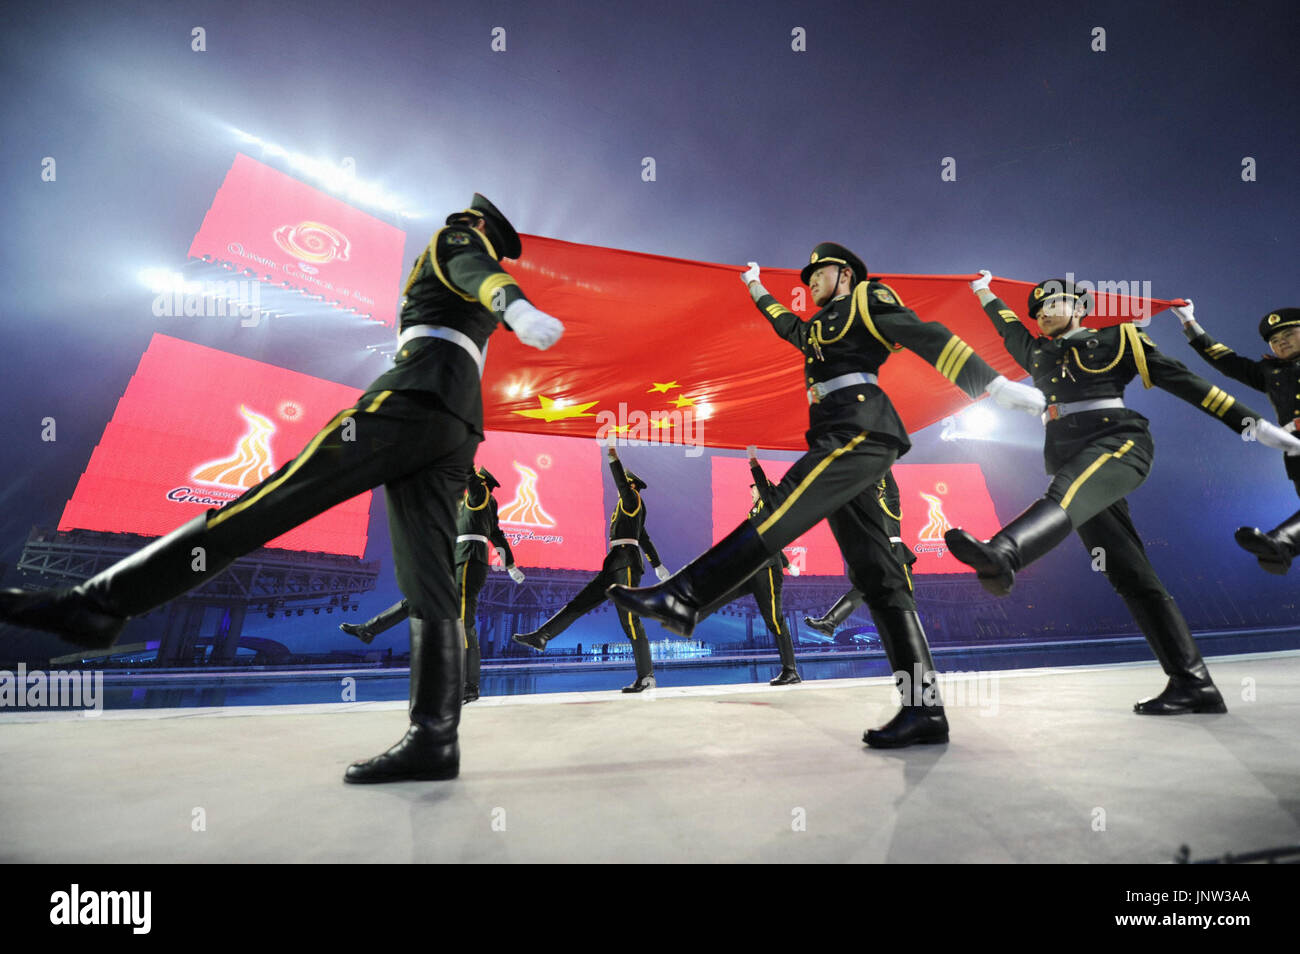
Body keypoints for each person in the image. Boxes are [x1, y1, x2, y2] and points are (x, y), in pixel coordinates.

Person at [0, 194, 565, 783]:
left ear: (472, 225)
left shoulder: (456, 239)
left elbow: (480, 274)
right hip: (457, 426)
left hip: (411, 400)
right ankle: (435, 739)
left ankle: (96, 603)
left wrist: (515, 306)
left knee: (269, 503)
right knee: (430, 581)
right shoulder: (463, 288)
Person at [609, 243, 1045, 747]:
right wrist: (754, 285)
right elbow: (783, 323)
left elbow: (927, 337)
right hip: (835, 432)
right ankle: (925, 712)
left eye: (818, 273)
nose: (810, 281)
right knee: (877, 577)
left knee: (784, 506)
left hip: (861, 427)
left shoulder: (868, 299)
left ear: (845, 274)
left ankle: (685, 596)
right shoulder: (817, 327)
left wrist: (991, 384)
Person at [945, 271, 1300, 715]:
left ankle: (1005, 552)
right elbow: (1004, 323)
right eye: (1037, 309)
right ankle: (1194, 684)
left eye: (1055, 302)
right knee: (1128, 574)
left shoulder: (1121, 339)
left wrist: (1259, 428)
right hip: (1064, 452)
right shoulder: (1036, 350)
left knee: (1066, 494)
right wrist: (982, 289)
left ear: (1080, 307)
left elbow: (1190, 385)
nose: (1044, 313)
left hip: (1118, 442)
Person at [340, 464, 526, 703]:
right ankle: (369, 630)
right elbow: (498, 536)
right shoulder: (484, 507)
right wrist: (510, 566)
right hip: (458, 559)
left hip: (469, 561)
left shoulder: (480, 496)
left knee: (465, 624)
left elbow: (468, 477)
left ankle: (471, 685)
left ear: (481, 484)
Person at [512, 442, 669, 692]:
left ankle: (647, 677)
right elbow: (646, 538)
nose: (620, 490)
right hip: (615, 562)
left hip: (626, 561)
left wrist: (613, 459)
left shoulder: (632, 499)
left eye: (624, 485)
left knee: (630, 620)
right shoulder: (628, 509)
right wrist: (657, 564)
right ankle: (542, 636)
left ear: (631, 486)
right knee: (580, 603)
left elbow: (640, 534)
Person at [1174, 302, 1300, 573]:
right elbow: (1226, 362)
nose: (1281, 343)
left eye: (1289, 334)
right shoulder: (1269, 372)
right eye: (1275, 340)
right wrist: (1190, 324)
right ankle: (1281, 546)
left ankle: (1282, 543)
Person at [804, 471, 917, 637]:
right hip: (877, 557)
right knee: (861, 589)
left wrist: (878, 458)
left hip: (895, 558)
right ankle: (829, 622)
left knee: (907, 608)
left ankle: (917, 661)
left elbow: (890, 484)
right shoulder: (866, 513)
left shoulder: (889, 504)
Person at [740, 448, 800, 685]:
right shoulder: (754, 512)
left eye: (754, 487)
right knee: (769, 619)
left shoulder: (769, 505)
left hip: (768, 568)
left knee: (775, 618)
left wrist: (753, 462)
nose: (752, 490)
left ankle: (790, 669)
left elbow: (763, 486)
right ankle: (788, 669)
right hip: (758, 567)